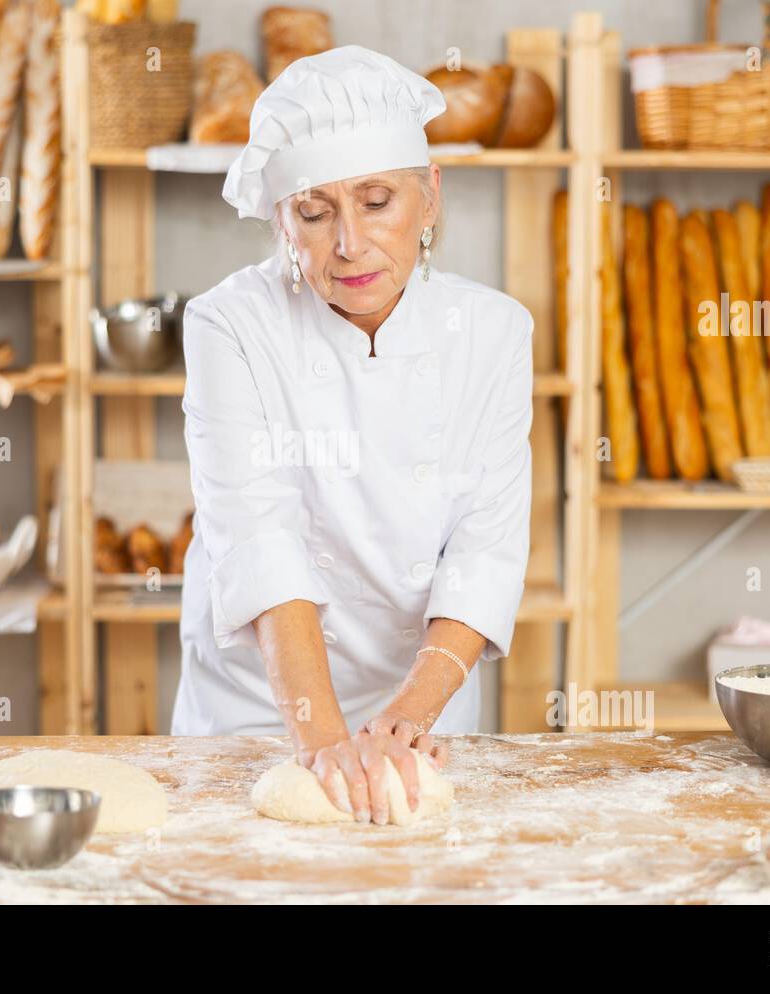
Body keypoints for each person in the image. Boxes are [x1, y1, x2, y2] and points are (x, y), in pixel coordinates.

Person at [173, 45, 534, 825]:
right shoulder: (228, 326)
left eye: (377, 201)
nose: (348, 243)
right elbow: (258, 537)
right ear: (280, 219)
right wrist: (323, 740)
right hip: (256, 716)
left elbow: (485, 547)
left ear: (430, 197)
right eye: (314, 211)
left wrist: (410, 714)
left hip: (420, 716)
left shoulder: (495, 332)